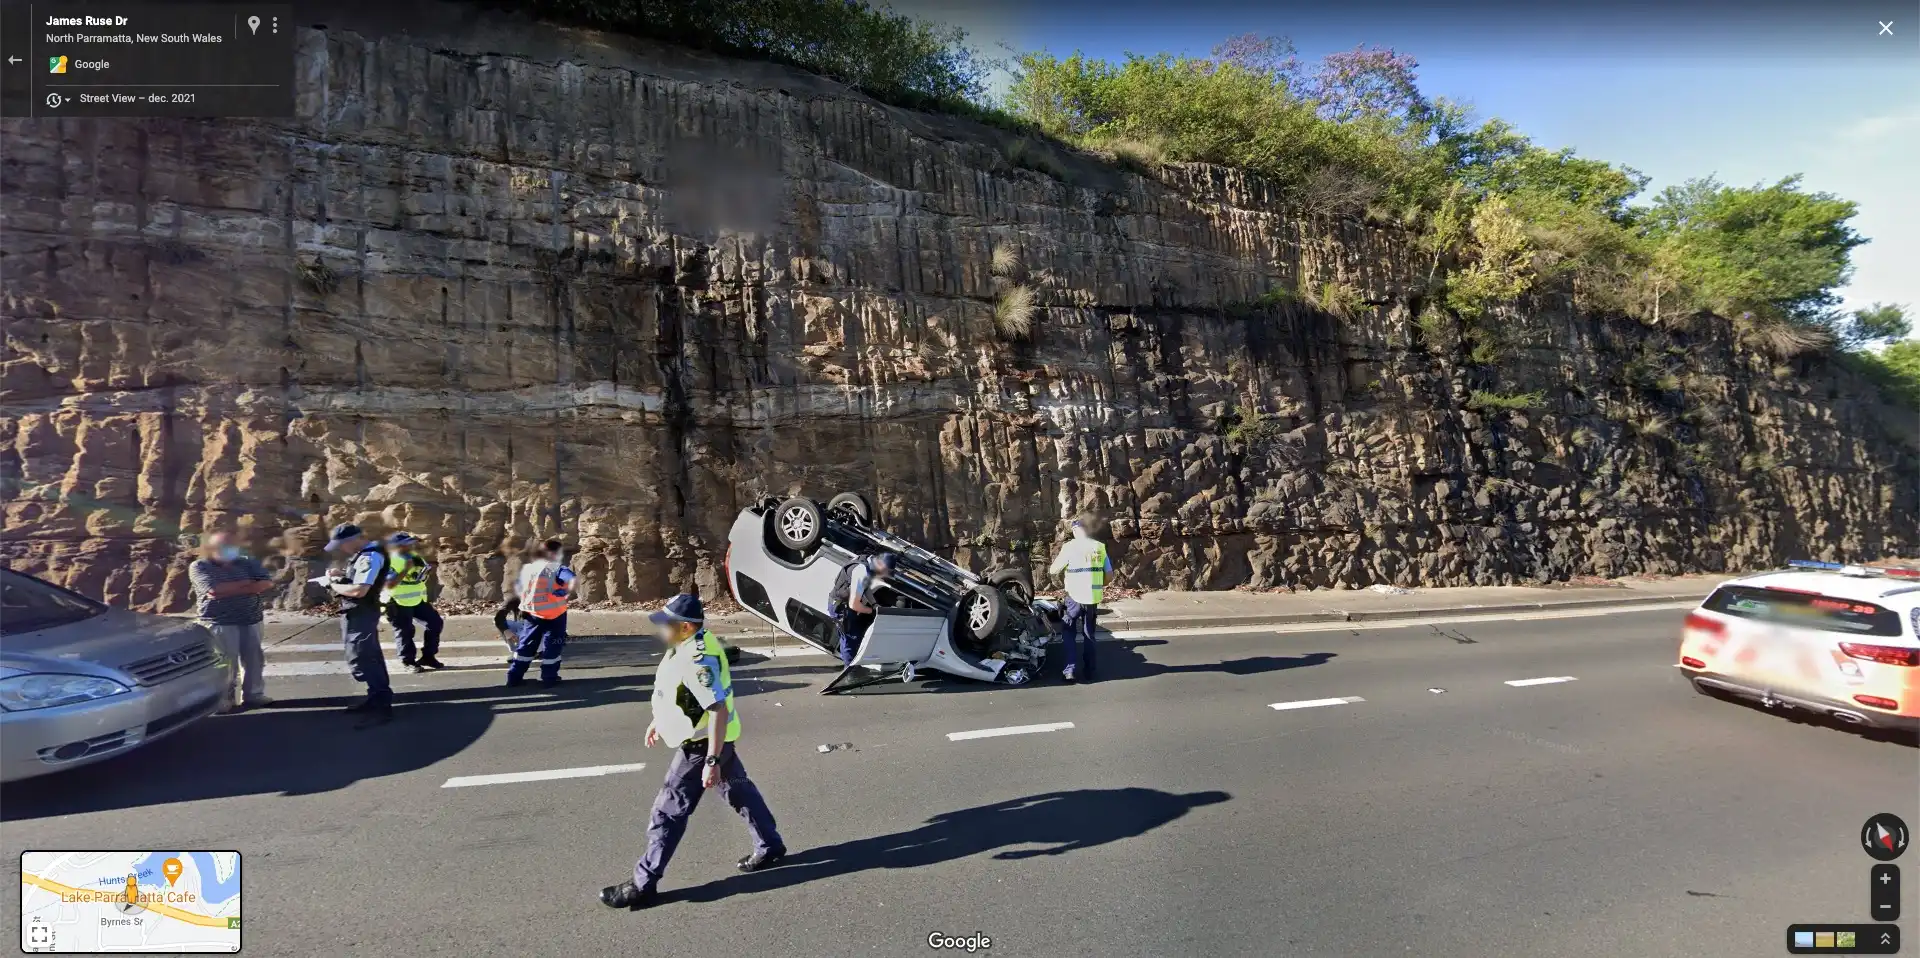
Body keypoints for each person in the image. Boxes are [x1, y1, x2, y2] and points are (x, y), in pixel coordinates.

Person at [600, 593, 787, 910]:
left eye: (666, 624)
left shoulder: (698, 661)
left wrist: (711, 760)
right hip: (712, 740)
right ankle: (770, 844)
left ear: (686, 626)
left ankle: (643, 884)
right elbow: (680, 694)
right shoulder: (687, 644)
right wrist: (659, 721)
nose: (661, 629)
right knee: (739, 791)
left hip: (701, 745)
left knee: (667, 812)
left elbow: (716, 709)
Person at [187, 531, 276, 712]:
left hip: (251, 618)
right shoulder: (200, 566)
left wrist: (233, 588)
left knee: (254, 660)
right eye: (223, 546)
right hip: (219, 622)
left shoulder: (247, 562)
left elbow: (266, 583)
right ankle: (224, 699)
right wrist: (249, 584)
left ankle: (254, 695)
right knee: (225, 664)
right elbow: (213, 590)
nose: (229, 549)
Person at [324, 523, 393, 725]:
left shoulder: (370, 557)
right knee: (365, 655)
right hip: (358, 612)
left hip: (362, 612)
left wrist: (332, 585)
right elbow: (358, 582)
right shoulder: (363, 555)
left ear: (353, 540)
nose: (340, 549)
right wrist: (341, 576)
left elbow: (359, 591)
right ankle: (375, 698)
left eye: (341, 544)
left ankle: (382, 707)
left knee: (364, 657)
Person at [1048, 518, 1112, 682]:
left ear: (1075, 531)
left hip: (1074, 597)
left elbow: (1053, 570)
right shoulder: (1099, 546)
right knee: (1089, 634)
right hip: (1092, 598)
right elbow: (1109, 575)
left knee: (1068, 631)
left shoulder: (1070, 547)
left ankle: (1070, 670)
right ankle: (1090, 671)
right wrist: (1099, 584)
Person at [506, 537, 573, 687]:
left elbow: (520, 588)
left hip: (532, 613)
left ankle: (514, 677)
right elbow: (571, 580)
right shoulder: (557, 568)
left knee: (527, 644)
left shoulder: (529, 568)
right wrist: (564, 592)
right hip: (554, 614)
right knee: (553, 645)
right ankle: (549, 678)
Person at [382, 532, 445, 673]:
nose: (411, 545)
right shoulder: (390, 561)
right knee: (405, 631)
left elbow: (420, 577)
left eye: (411, 543)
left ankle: (428, 657)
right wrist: (405, 569)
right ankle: (408, 661)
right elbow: (389, 584)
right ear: (397, 546)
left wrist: (426, 571)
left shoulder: (414, 557)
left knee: (435, 623)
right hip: (397, 601)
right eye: (407, 543)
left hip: (417, 600)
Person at [826, 552, 894, 666]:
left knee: (854, 636)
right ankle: (849, 671)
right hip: (841, 608)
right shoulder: (862, 572)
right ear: (881, 565)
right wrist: (872, 611)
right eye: (885, 572)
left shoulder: (868, 561)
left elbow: (864, 588)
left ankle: (852, 665)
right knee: (850, 640)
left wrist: (874, 604)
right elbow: (854, 605)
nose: (885, 575)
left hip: (843, 604)